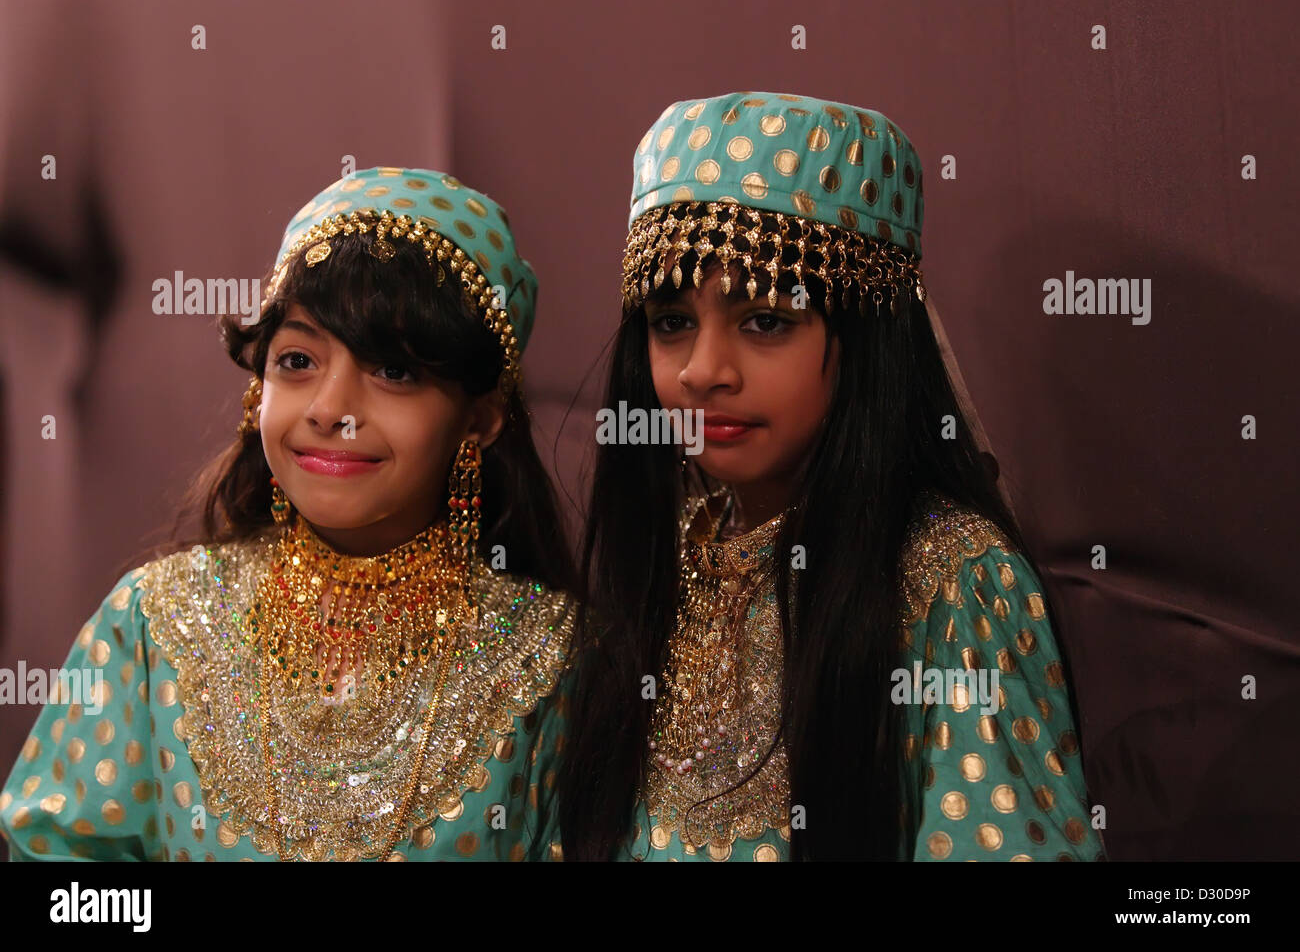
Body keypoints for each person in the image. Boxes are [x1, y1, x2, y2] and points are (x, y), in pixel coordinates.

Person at [550, 92, 1108, 861]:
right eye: (672, 321)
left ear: (869, 337)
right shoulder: (671, 553)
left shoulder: (951, 584)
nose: (702, 371)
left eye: (765, 321)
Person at [0, 166, 575, 861]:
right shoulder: (155, 627)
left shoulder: (552, 659)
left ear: (479, 418)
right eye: (297, 359)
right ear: (257, 388)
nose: (330, 408)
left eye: (393, 371)